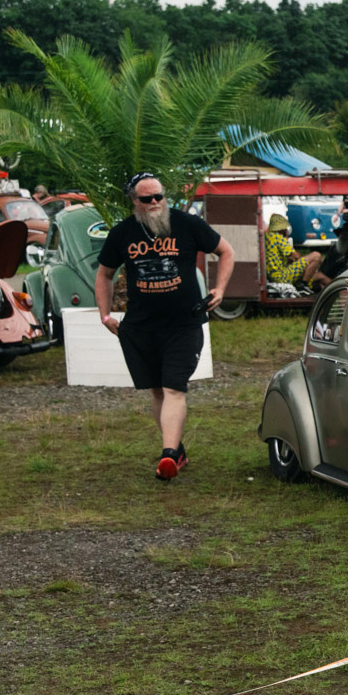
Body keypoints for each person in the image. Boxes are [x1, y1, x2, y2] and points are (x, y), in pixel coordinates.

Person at [94, 173, 235, 481]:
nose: (156, 202)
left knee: (173, 387)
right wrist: (105, 316)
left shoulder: (186, 224)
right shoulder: (122, 233)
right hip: (141, 328)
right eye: (147, 199)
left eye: (159, 196)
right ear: (134, 202)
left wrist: (220, 289)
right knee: (157, 390)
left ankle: (168, 456)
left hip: (184, 324)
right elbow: (104, 274)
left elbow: (226, 251)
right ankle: (177, 450)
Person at [263, 213, 311, 290]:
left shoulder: (266, 237)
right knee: (316, 256)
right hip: (281, 277)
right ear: (282, 229)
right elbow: (296, 256)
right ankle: (303, 285)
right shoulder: (278, 238)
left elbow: (276, 258)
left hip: (272, 277)